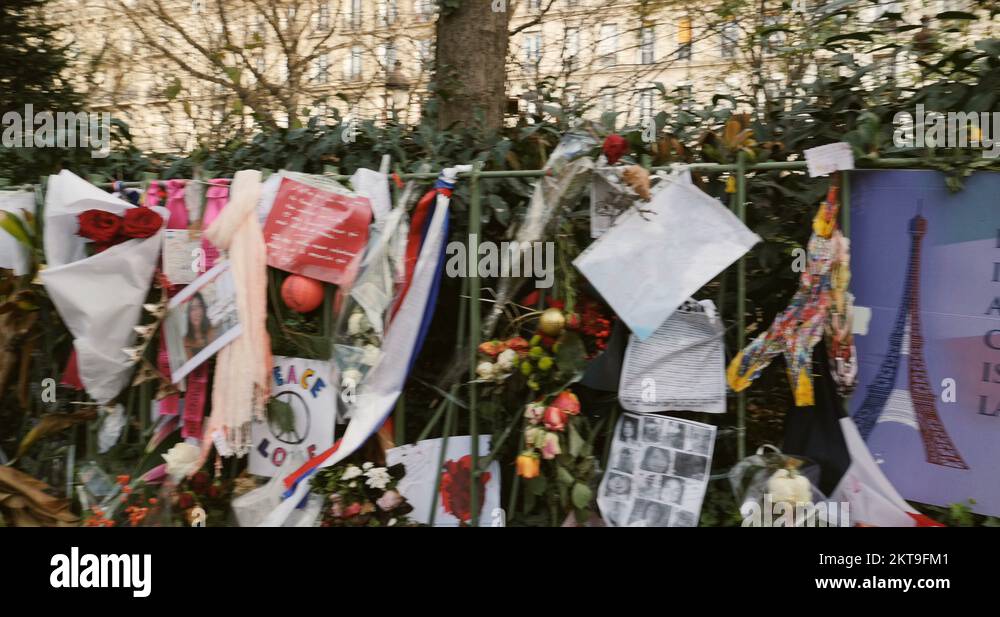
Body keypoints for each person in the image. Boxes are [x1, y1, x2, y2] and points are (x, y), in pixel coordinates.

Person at [184, 292, 214, 359]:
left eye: (199, 306)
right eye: (192, 309)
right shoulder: (186, 340)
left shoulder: (210, 329)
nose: (197, 313)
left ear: (203, 309)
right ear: (188, 313)